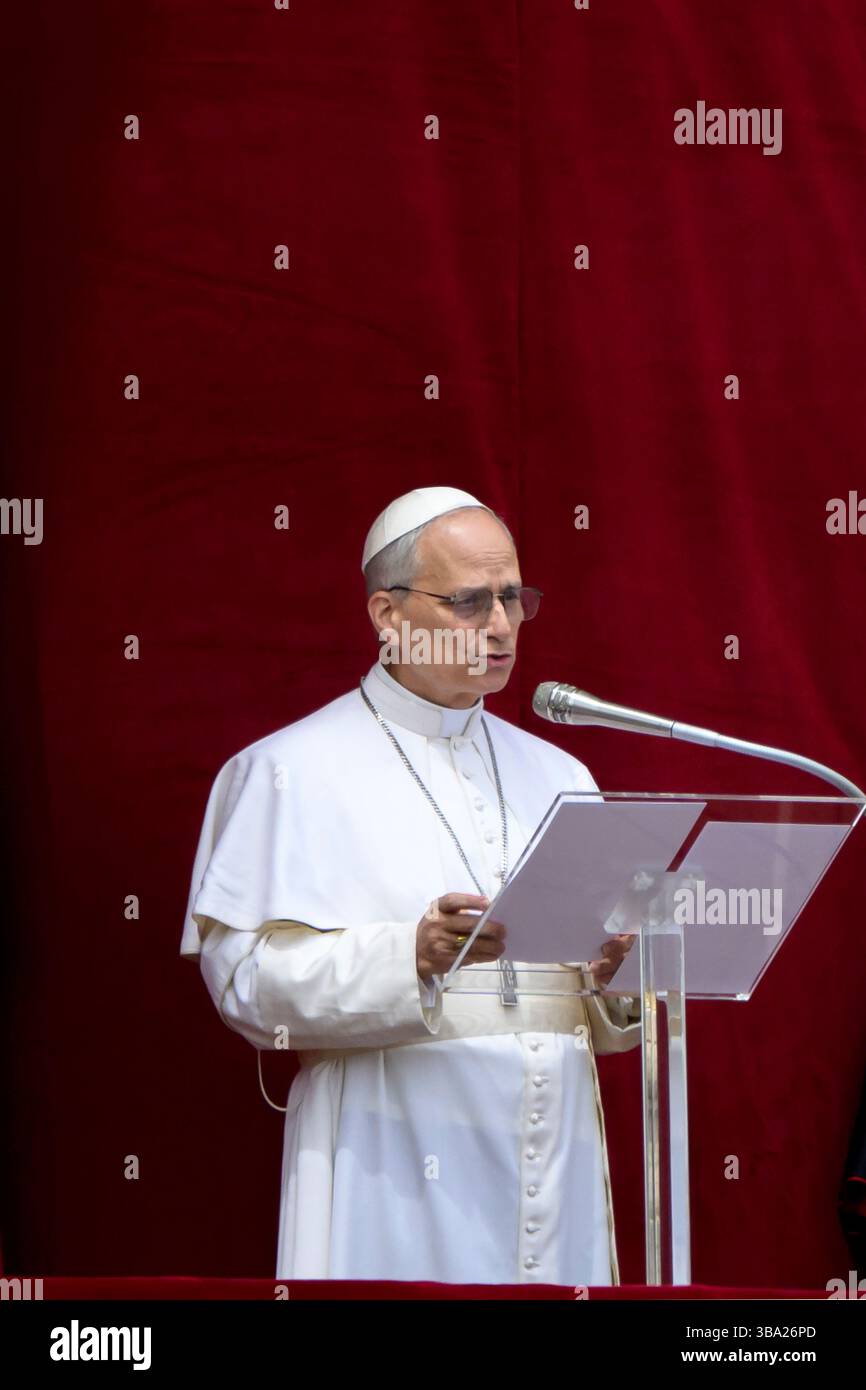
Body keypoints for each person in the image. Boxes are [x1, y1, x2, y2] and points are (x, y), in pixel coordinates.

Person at [180, 485, 641, 1284]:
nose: (500, 627)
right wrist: (409, 958)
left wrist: (619, 980)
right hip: (389, 1160)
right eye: (468, 601)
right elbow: (244, 983)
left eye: (512, 598)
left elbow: (592, 998)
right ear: (387, 617)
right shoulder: (288, 771)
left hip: (556, 1158)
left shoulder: (562, 774)